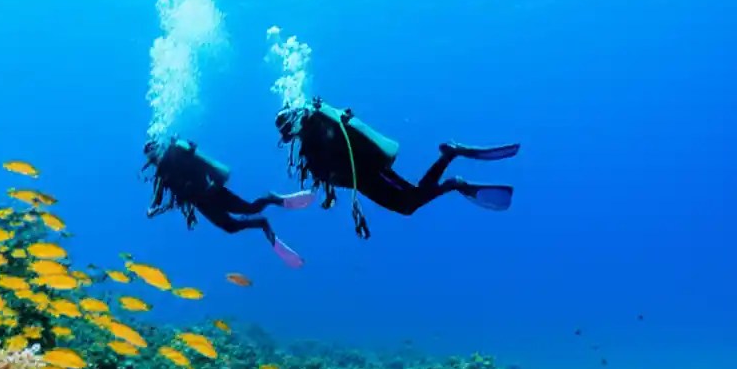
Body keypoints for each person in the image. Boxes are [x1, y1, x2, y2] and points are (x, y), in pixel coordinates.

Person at [274, 98, 519, 238]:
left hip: (369, 175)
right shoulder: (314, 137)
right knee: (410, 201)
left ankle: (453, 177)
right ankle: (449, 157)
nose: (290, 135)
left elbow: (334, 166)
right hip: (367, 176)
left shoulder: (317, 135)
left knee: (409, 204)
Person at [142, 137, 313, 267]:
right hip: (202, 204)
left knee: (250, 208)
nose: (154, 154)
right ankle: (262, 223)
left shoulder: (176, 152)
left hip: (212, 190)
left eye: (153, 148)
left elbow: (196, 157)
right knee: (230, 227)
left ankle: (272, 198)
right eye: (150, 153)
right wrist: (152, 209)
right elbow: (157, 198)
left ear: (159, 146)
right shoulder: (162, 176)